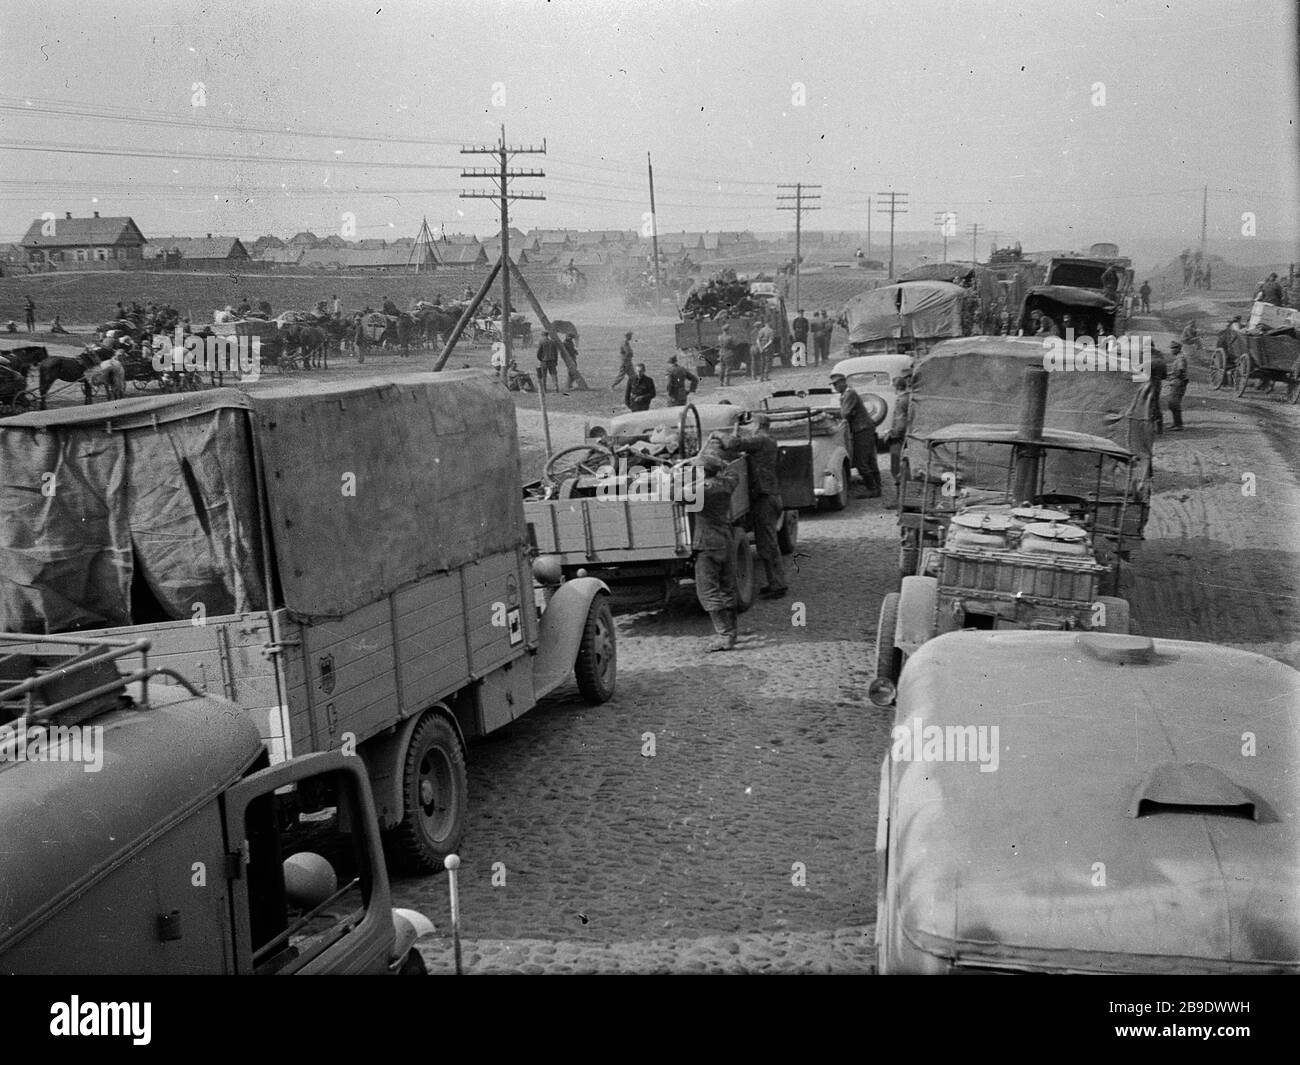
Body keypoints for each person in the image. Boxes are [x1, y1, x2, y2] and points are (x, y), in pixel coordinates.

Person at [720, 413, 787, 599]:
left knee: (768, 543)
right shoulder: (768, 440)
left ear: (758, 424)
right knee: (768, 541)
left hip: (765, 498)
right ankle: (775, 582)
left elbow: (732, 444)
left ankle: (778, 585)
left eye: (752, 424)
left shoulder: (761, 439)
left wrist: (722, 433)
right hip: (769, 496)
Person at [692, 452, 741, 652]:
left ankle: (724, 636)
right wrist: (721, 463)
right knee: (727, 587)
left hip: (707, 544)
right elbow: (734, 474)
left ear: (703, 471)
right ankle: (732, 632)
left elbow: (672, 494)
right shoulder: (727, 484)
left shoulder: (701, 490)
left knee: (708, 591)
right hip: (725, 540)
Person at [831, 372, 881, 497]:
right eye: (834, 385)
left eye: (837, 384)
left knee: (861, 461)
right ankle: (876, 486)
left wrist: (838, 414)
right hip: (864, 428)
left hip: (862, 429)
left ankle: (873, 488)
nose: (835, 387)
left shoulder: (849, 394)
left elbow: (845, 414)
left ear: (843, 382)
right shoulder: (846, 394)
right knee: (869, 460)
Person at [887, 373, 912, 506]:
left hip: (899, 439)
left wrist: (892, 434)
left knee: (896, 469)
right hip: (906, 438)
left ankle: (900, 502)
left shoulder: (901, 400)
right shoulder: (909, 398)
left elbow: (901, 422)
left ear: (896, 388)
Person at [1166, 340, 1189, 431]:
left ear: (1178, 349)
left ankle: (1179, 425)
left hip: (1178, 383)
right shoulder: (1179, 357)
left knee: (1174, 403)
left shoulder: (1180, 358)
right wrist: (1169, 374)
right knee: (1173, 403)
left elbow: (1180, 371)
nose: (1171, 351)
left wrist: (1172, 376)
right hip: (1177, 382)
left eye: (1173, 349)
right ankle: (1176, 423)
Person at [1148, 346, 1168, 435]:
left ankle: (1150, 427)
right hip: (1158, 385)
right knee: (1156, 405)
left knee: (1148, 405)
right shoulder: (1161, 361)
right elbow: (1165, 376)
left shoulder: (1149, 361)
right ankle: (1160, 427)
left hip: (1149, 385)